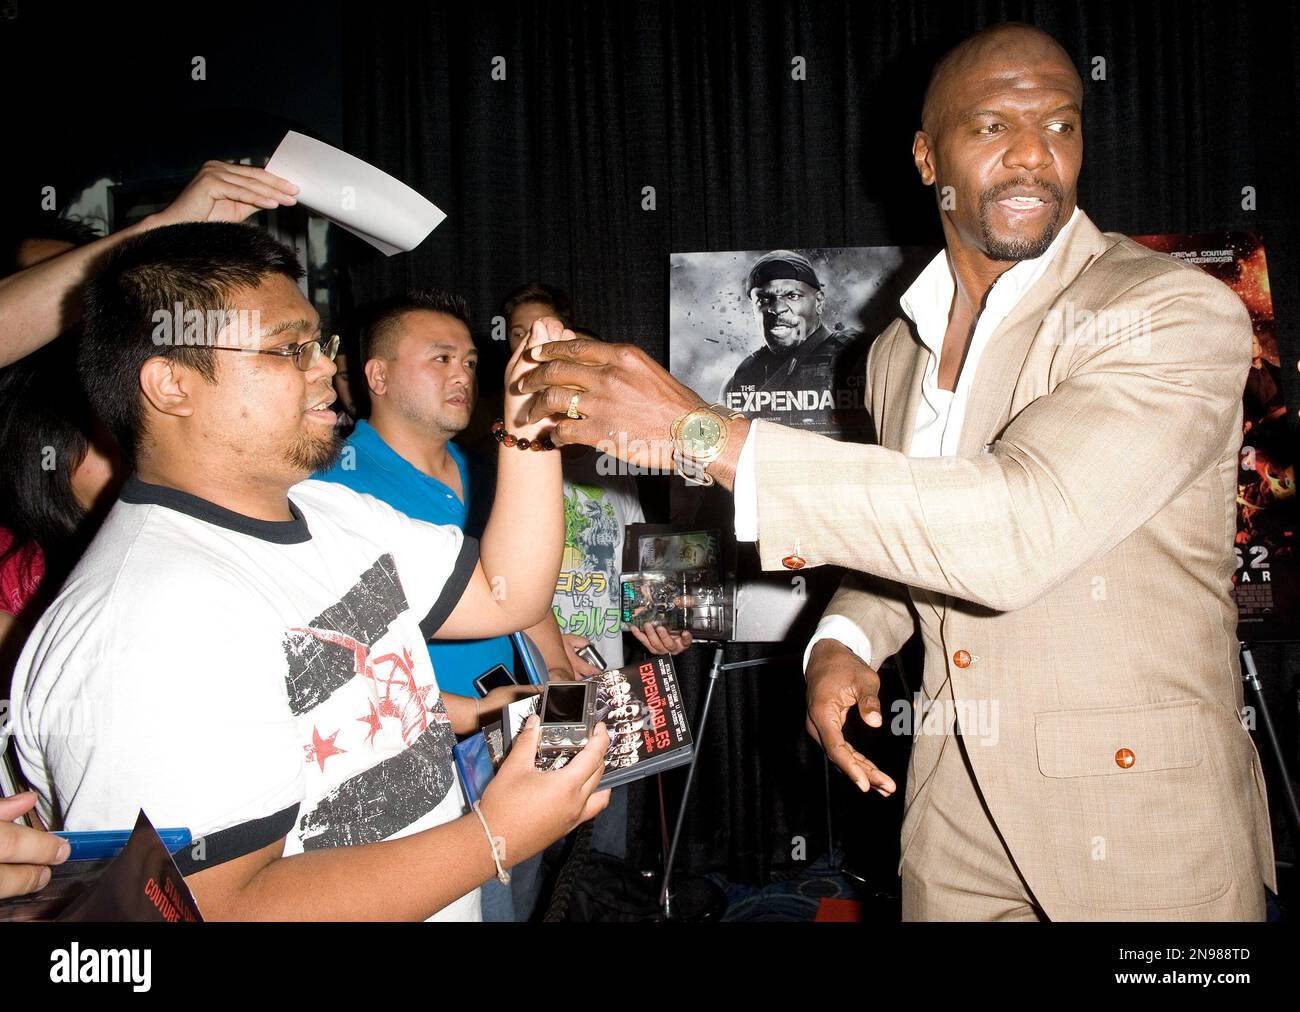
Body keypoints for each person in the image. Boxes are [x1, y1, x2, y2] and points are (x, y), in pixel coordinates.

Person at [521, 23, 1273, 921]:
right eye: (993, 126)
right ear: (927, 158)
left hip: (1138, 824)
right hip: (951, 811)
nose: (1035, 156)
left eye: (1062, 127)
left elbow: (1015, 531)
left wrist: (701, 434)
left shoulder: (1169, 311)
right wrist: (848, 640)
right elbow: (905, 539)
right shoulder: (893, 353)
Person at [10, 222, 609, 921]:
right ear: (172, 384)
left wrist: (529, 425)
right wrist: (494, 837)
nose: (326, 367)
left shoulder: (329, 512)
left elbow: (507, 593)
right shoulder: (145, 619)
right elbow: (215, 908)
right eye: (288, 349)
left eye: (318, 345)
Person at [314, 287, 575, 921]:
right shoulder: (333, 490)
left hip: (519, 719)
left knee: (534, 892)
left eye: (468, 360)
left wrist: (560, 671)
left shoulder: (490, 470)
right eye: (439, 358)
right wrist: (474, 713)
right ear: (375, 375)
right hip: (425, 753)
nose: (462, 372)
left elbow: (518, 591)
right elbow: (344, 678)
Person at [719, 250, 861, 429]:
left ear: (818, 301)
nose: (778, 308)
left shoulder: (862, 355)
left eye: (792, 296)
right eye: (763, 299)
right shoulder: (740, 379)